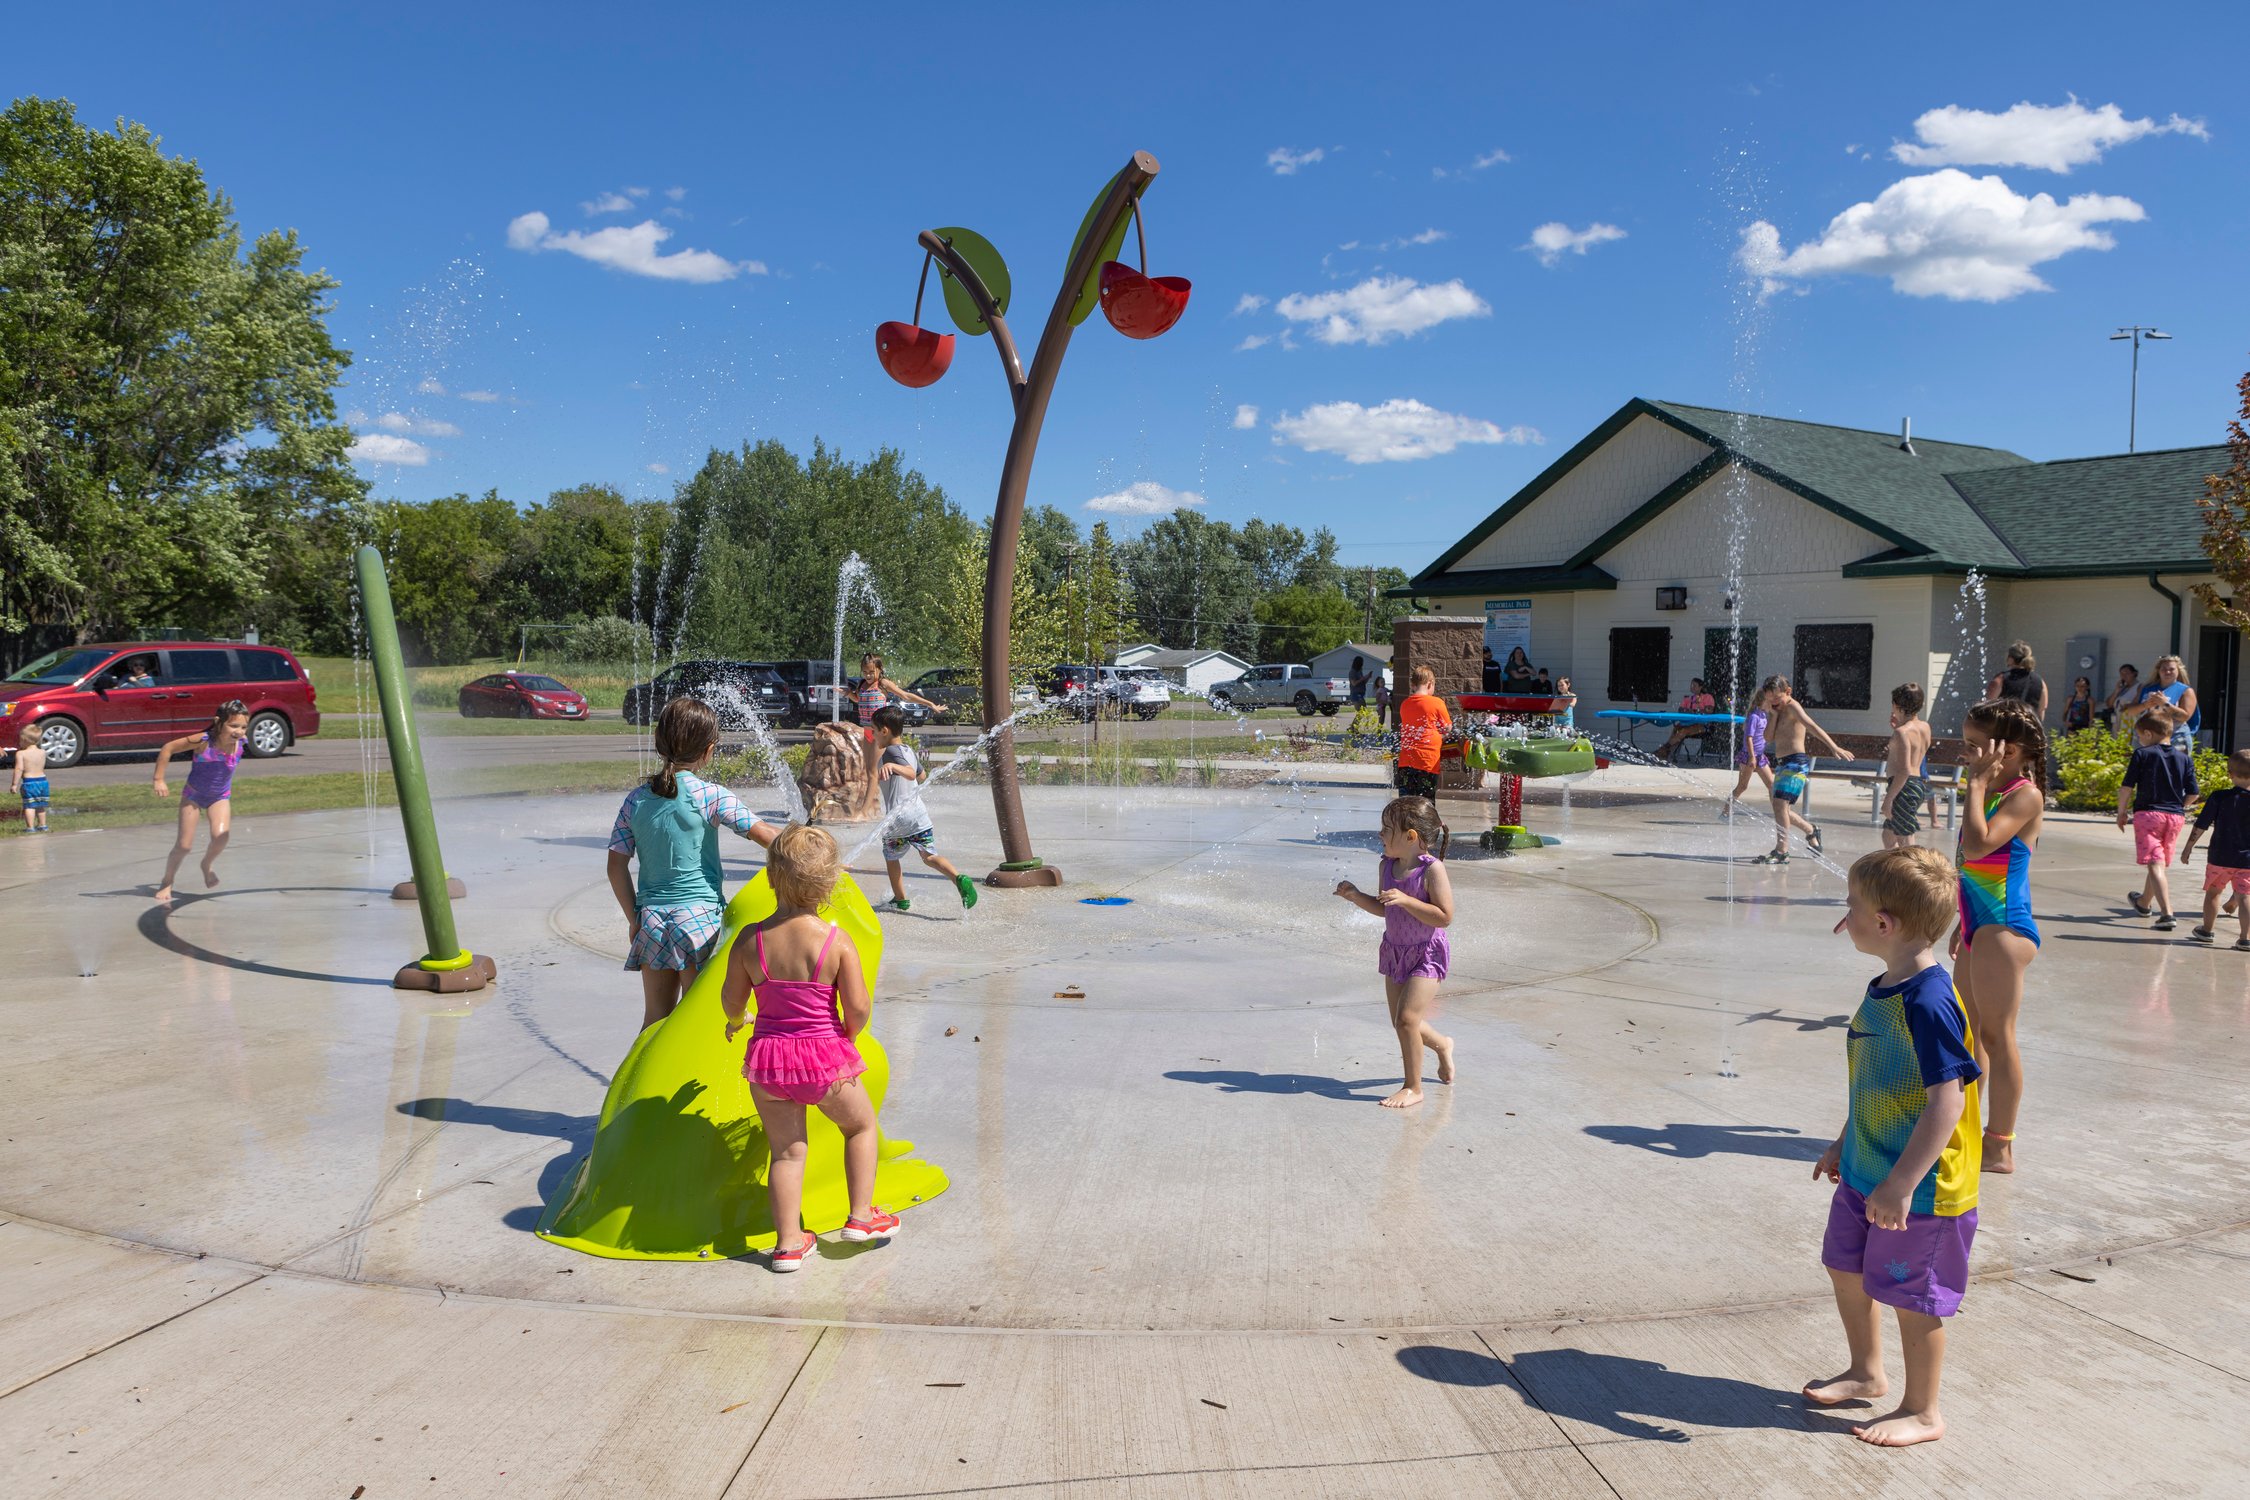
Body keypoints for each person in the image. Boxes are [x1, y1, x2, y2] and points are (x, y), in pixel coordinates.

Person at [1806, 845, 1980, 1449]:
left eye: (1851, 905)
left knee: (1914, 1297)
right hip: (1866, 1167)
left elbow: (1946, 1103)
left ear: (1884, 923)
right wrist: (1842, 1141)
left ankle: (1924, 1410)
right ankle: (1866, 1372)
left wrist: (1902, 1183)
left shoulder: (1928, 1001)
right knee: (1844, 1267)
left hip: (1920, 1186)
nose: (1844, 913)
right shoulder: (1885, 984)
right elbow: (1879, 1081)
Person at [720, 823, 899, 1272]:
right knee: (859, 1128)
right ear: (829, 882)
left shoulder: (750, 940)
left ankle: (787, 1245)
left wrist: (736, 1019)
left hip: (770, 1062)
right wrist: (850, 1036)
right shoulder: (835, 941)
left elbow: (731, 999)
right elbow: (857, 1007)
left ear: (771, 877)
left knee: (787, 1152)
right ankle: (860, 1217)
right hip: (823, 1058)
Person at [607, 697, 780, 1031]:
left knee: (655, 1019)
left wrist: (634, 918)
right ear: (709, 750)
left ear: (660, 743)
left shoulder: (636, 799)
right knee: (700, 1022)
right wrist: (819, 857)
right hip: (699, 924)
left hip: (653, 920)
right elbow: (768, 835)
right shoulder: (710, 795)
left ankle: (638, 1082)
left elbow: (615, 867)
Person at [1952, 697, 2045, 1176]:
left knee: (1996, 1034)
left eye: (1972, 745)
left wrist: (1976, 784)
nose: (1964, 753)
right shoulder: (1989, 790)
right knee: (1968, 1033)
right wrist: (1958, 922)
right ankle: (1960, 1125)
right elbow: (1969, 868)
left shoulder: (2023, 796)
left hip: (2005, 930)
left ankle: (2000, 1144)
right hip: (1977, 927)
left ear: (2005, 751)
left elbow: (1977, 842)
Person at [1333, 796, 1455, 1109]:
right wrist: (1356, 897)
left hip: (1426, 953)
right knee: (1403, 1022)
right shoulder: (1386, 866)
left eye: (1387, 830)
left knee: (1406, 1021)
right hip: (1395, 951)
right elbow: (1384, 909)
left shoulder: (1432, 871)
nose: (1380, 835)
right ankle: (1442, 1045)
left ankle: (1413, 1087)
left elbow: (1444, 916)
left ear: (1411, 836)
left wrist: (1407, 900)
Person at [869, 705, 977, 913]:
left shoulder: (890, 751)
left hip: (898, 820)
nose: (872, 734)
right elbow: (921, 776)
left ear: (885, 730)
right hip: (918, 816)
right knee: (929, 856)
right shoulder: (908, 750)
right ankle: (959, 878)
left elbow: (910, 773)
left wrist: (892, 767)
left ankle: (900, 899)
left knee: (891, 857)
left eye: (874, 729)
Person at [151, 700, 252, 905]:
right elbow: (168, 748)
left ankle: (206, 864)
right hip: (193, 796)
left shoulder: (241, 742)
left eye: (243, 727)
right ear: (218, 722)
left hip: (220, 797)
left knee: (221, 836)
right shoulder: (203, 741)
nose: (239, 731)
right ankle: (167, 880)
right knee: (184, 846)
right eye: (233, 726)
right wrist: (158, 779)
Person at [2117, 708, 2196, 932]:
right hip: (2175, 817)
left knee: (2154, 863)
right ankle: (2143, 902)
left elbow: (2126, 788)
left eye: (2140, 735)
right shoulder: (2184, 758)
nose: (2140, 740)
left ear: (2149, 734)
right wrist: (2179, 806)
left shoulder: (2142, 754)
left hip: (2149, 814)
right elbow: (2193, 793)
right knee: (2159, 862)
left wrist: (2121, 812)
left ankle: (2167, 913)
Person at [1755, 675, 1848, 865]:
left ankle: (1782, 850)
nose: (1773, 702)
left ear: (1787, 692)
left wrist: (1833, 747)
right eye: (1770, 699)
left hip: (1796, 762)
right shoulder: (1777, 710)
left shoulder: (1792, 706)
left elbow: (1812, 726)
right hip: (1783, 763)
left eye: (1777, 698)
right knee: (1779, 806)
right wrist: (1771, 714)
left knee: (1780, 804)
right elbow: (1768, 737)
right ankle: (1810, 830)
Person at [2180, 748, 2250, 950]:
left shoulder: (2219, 797)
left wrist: (2188, 848)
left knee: (2214, 893)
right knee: (2244, 896)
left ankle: (2207, 931)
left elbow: (2201, 824)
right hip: (2246, 860)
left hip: (2220, 857)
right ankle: (2245, 938)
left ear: (2230, 774)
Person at [1881, 683, 1935, 850]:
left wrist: (1888, 799)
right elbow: (1916, 750)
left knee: (1905, 839)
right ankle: (1893, 868)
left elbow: (1904, 770)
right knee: (1888, 836)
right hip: (1917, 784)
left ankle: (1911, 871)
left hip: (1903, 787)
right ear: (1922, 705)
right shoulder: (1925, 727)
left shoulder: (1901, 732)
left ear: (1896, 705)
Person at [1393, 665, 1450, 801]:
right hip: (1427, 761)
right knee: (1426, 802)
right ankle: (1426, 823)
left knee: (1406, 802)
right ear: (1430, 684)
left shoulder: (1405, 704)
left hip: (1406, 761)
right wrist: (1441, 735)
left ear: (1413, 685)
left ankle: (1406, 822)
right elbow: (1447, 728)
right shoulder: (1437, 703)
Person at [1723, 685, 1773, 814]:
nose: (1772, 704)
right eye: (1770, 701)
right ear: (1763, 701)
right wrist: (1751, 756)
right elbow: (1748, 738)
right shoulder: (1754, 717)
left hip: (1760, 757)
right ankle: (1726, 811)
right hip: (1749, 757)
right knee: (1742, 786)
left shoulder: (1763, 716)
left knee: (1772, 786)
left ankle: (1779, 813)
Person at [2135, 655, 2200, 753]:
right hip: (2149, 738)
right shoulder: (2147, 688)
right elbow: (2130, 711)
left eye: (2172, 669)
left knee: (2173, 768)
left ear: (2178, 671)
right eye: (2164, 669)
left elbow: (2185, 717)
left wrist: (2165, 704)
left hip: (2176, 737)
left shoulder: (2186, 691)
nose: (2167, 672)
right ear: (2158, 671)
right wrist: (2145, 705)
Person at [1656, 678, 1719, 761]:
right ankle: (1667, 752)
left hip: (1703, 725)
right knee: (1677, 728)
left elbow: (1709, 711)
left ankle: (1664, 749)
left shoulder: (1708, 697)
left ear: (1700, 687)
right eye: (1691, 685)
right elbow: (1680, 710)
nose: (1692, 687)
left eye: (1694, 685)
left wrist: (1694, 710)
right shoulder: (1688, 699)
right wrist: (1691, 710)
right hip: (1687, 723)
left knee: (1683, 731)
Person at [1985, 641, 2048, 723]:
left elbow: (1988, 707)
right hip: (2029, 731)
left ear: (2010, 659)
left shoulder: (2000, 679)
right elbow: (2041, 711)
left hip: (2005, 729)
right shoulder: (2040, 682)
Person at [12, 726, 49, 834]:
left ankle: (30, 827)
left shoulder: (21, 753)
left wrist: (14, 784)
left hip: (29, 783)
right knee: (41, 805)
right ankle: (43, 825)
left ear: (24, 740)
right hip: (43, 781)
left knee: (29, 806)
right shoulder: (42, 752)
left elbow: (19, 769)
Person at [2098, 664, 2140, 734]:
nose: (2124, 676)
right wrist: (2116, 691)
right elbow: (2109, 704)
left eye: (2127, 673)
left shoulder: (2139, 687)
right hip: (2117, 721)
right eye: (2122, 674)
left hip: (2129, 721)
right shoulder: (2122, 688)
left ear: (2134, 673)